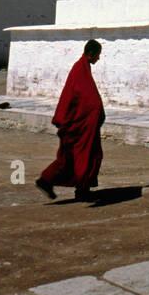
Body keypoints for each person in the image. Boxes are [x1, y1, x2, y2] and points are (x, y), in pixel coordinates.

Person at [36, 40, 105, 201]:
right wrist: (94, 113)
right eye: (98, 55)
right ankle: (48, 181)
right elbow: (86, 99)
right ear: (91, 54)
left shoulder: (83, 68)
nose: (99, 59)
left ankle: (79, 189)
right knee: (78, 157)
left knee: (81, 156)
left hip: (80, 123)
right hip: (77, 124)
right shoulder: (80, 70)